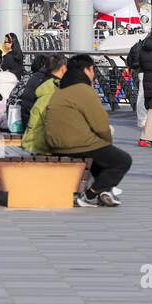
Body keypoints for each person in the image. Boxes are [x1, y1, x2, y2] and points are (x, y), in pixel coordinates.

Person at [44, 55, 131, 207]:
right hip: (76, 145)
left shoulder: (60, 90)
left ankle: (105, 190)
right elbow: (101, 126)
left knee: (101, 160)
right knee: (122, 160)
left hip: (54, 144)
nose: (94, 74)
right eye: (93, 70)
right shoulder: (85, 90)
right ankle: (90, 195)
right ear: (87, 70)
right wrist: (107, 143)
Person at [20, 54, 67, 155]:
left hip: (28, 128)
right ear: (63, 68)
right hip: (40, 140)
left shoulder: (36, 77)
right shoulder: (54, 85)